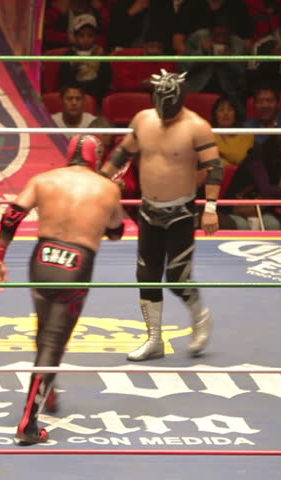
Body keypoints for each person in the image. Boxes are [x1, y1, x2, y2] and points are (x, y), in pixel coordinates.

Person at [0, 134, 125, 445]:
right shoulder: (107, 188)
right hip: (76, 264)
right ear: (97, 156)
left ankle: (46, 390)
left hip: (42, 257)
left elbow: (12, 215)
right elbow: (117, 232)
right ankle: (28, 423)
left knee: (45, 330)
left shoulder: (44, 179)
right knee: (54, 341)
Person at [99, 70, 221, 362]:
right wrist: (101, 180)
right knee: (146, 275)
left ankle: (199, 316)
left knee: (178, 278)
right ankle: (154, 339)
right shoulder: (143, 119)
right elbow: (123, 154)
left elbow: (215, 167)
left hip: (180, 211)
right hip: (148, 211)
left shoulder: (197, 126)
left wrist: (211, 207)